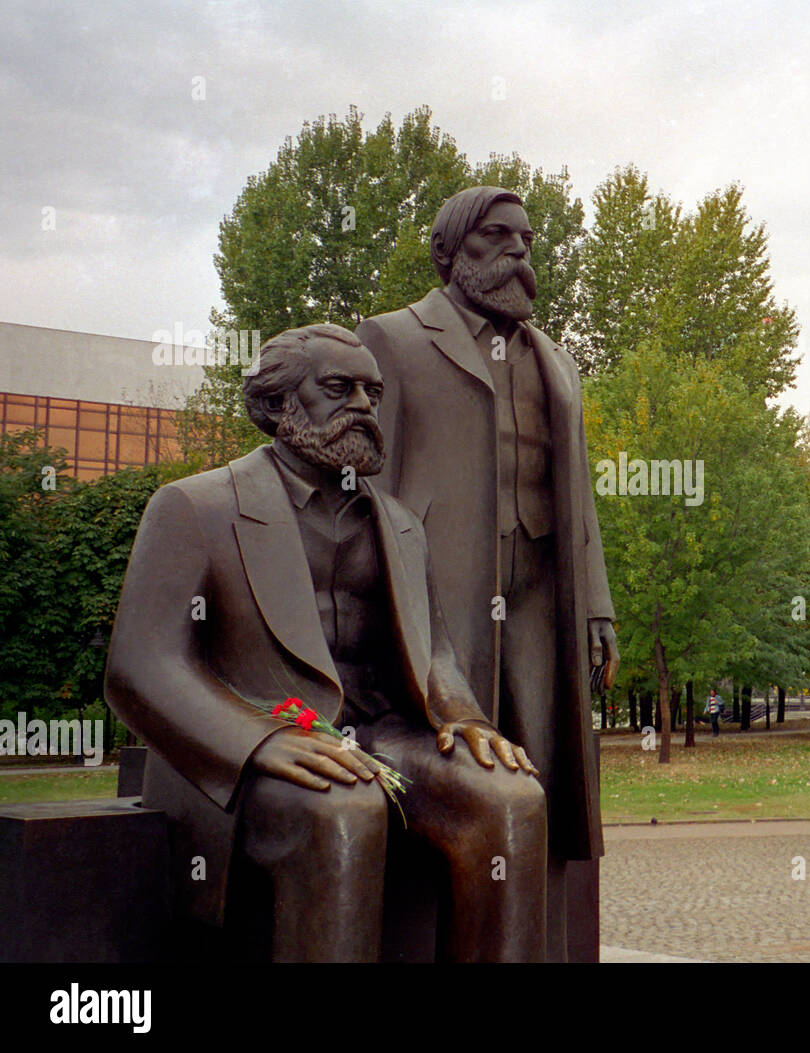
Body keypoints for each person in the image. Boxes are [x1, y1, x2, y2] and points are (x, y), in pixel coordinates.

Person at [105, 323, 548, 962]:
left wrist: (465, 716)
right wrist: (259, 740)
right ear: (278, 404)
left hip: (384, 736)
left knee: (512, 799)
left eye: (374, 392)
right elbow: (141, 665)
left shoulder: (398, 524)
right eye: (339, 388)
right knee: (344, 806)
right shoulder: (195, 507)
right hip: (251, 747)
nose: (364, 407)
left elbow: (436, 652)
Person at [356, 187, 618, 961]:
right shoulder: (393, 339)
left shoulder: (555, 361)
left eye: (527, 239)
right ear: (450, 252)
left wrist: (596, 604)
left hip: (542, 593)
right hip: (440, 595)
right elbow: (366, 478)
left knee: (545, 766)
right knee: (456, 766)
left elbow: (578, 499)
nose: (518, 254)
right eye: (496, 237)